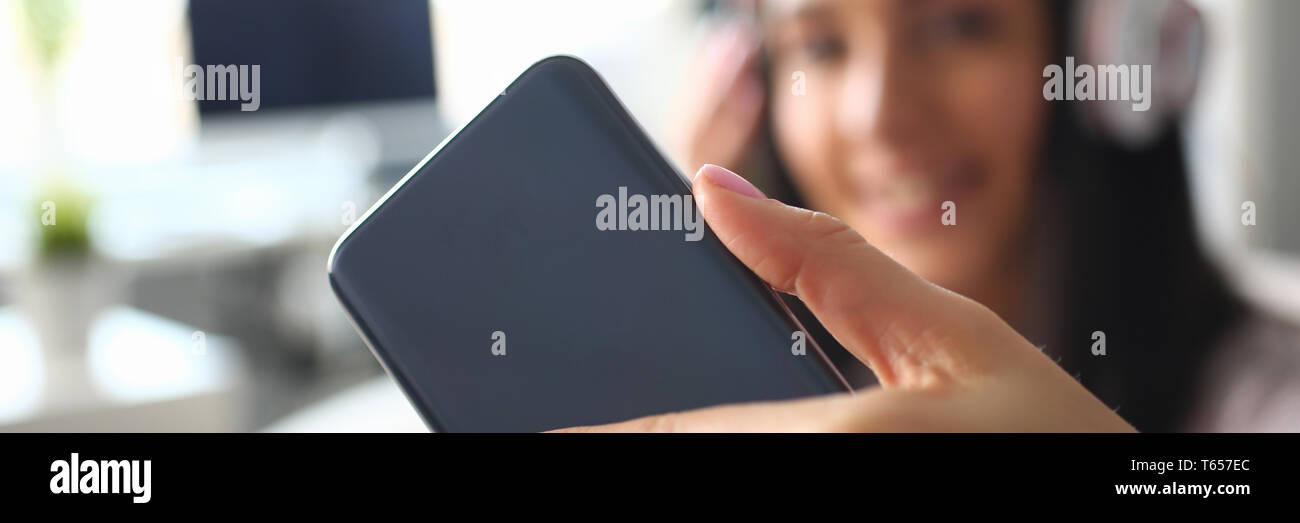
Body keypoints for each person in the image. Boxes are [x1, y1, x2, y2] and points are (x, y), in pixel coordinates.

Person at [560, 0, 1300, 432]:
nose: (879, 116)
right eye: (819, 46)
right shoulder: (740, 395)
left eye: (956, 26)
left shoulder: (1266, 394)